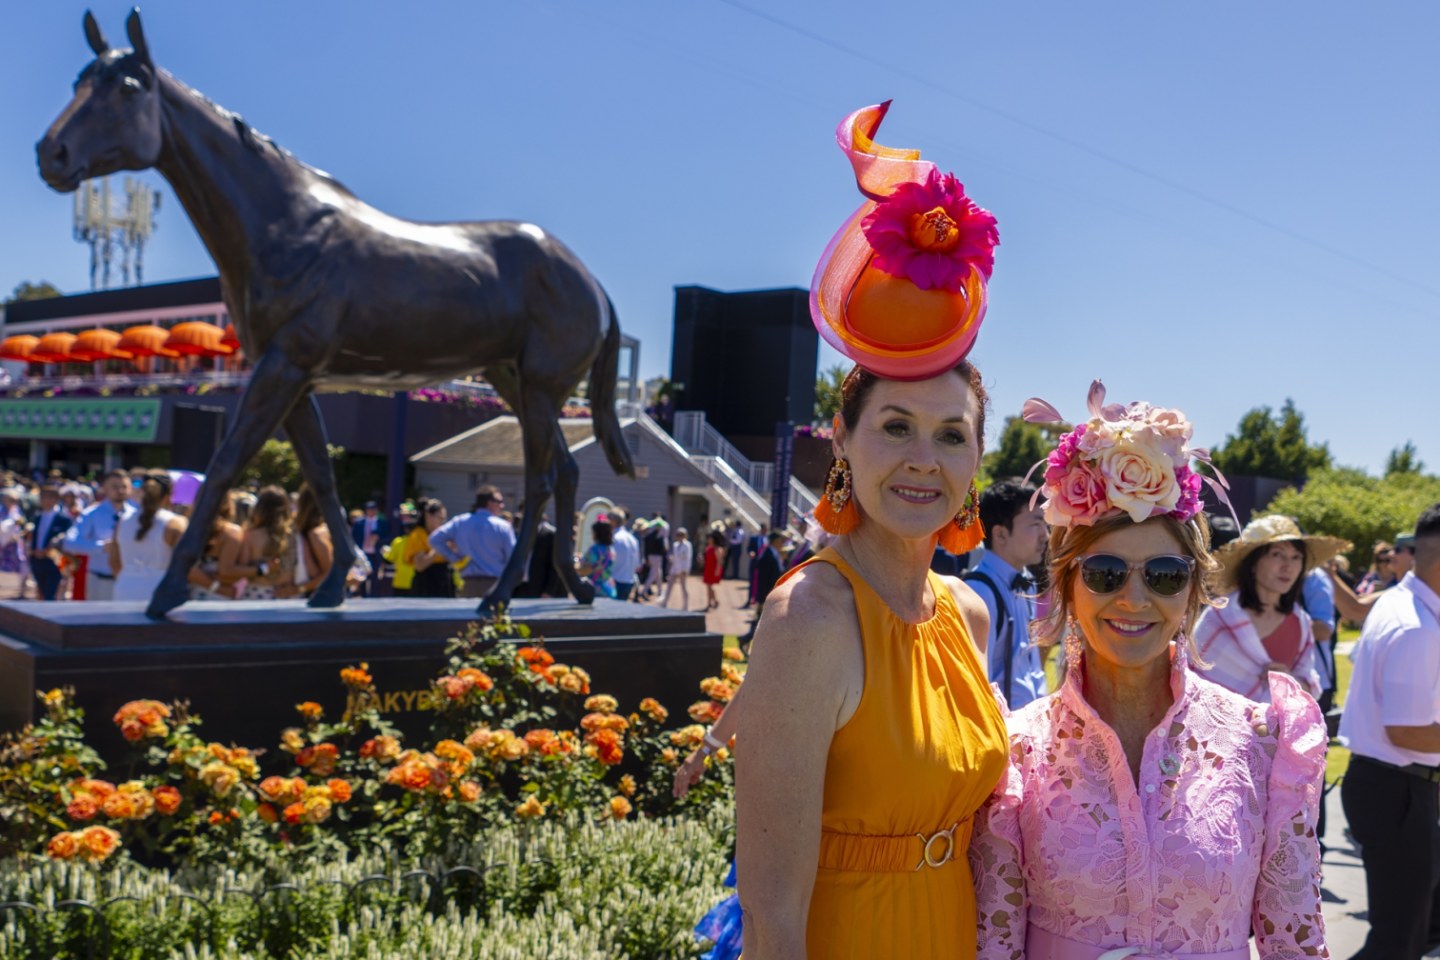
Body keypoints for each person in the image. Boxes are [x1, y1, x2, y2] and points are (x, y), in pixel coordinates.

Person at [736, 101, 1005, 958]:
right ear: (843, 442)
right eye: (895, 426)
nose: (924, 459)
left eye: (951, 434)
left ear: (976, 463)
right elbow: (772, 916)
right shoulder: (809, 618)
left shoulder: (969, 614)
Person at [970, 382, 1328, 958]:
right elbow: (996, 943)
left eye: (1163, 574)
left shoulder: (1262, 741)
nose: (1134, 599)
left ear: (1191, 590)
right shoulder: (1016, 749)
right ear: (1066, 585)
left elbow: (1294, 941)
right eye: (1105, 572)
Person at [1338, 504, 1440, 958]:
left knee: (1416, 929)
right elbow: (1405, 730)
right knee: (1398, 941)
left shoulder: (1402, 602)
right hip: (1397, 789)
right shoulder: (1417, 627)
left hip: (1393, 786)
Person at [1192, 514, 1346, 702]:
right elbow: (1191, 684)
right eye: (1277, 555)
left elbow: (1308, 685)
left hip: (1280, 730)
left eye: (1296, 557)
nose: (1288, 566)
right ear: (1253, 563)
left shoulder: (1300, 621)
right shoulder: (1220, 618)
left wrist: (1289, 681)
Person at [967, 479, 1049, 709]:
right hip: (1002, 734)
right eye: (1035, 524)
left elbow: (1029, 665)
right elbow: (976, 684)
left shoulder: (1027, 583)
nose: (1046, 535)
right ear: (1001, 534)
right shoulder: (979, 593)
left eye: (1045, 524)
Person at [109, 471, 187, 602]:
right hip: (161, 591)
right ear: (169, 495)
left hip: (125, 589)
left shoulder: (122, 520)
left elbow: (114, 563)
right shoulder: (176, 523)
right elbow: (184, 565)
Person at [427, 485, 515, 599]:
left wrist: (455, 558)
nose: (502, 505)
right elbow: (512, 558)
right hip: (496, 585)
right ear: (489, 503)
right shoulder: (503, 527)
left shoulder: (460, 522)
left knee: (468, 616)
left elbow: (434, 539)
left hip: (468, 585)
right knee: (494, 617)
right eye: (499, 501)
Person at [62, 468, 136, 601]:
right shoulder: (92, 514)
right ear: (105, 489)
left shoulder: (137, 515)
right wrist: (101, 547)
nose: (120, 491)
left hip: (129, 582)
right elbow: (69, 542)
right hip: (100, 581)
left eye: (124, 487)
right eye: (115, 487)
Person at [236, 485, 298, 600]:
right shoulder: (295, 534)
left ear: (259, 508)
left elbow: (241, 569)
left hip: (256, 594)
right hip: (288, 594)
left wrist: (264, 568)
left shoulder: (251, 535)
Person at [186, 490, 245, 600]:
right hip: (218, 599)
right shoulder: (232, 532)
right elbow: (226, 572)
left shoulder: (187, 528)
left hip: (189, 598)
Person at [28, 485, 73, 601]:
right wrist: (33, 552)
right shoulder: (38, 516)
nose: (45, 501)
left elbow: (67, 541)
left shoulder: (64, 519)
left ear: (56, 499)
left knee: (51, 594)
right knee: (41, 592)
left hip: (55, 561)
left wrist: (49, 550)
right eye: (43, 498)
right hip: (37, 560)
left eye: (49, 498)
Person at [406, 498, 455, 598]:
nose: (442, 522)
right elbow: (419, 566)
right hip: (426, 582)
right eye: (439, 518)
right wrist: (439, 549)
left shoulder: (442, 534)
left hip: (444, 581)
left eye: (443, 519)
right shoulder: (418, 534)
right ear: (428, 516)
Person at [292, 485, 334, 598]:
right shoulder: (321, 530)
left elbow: (331, 574)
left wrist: (298, 589)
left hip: (319, 598)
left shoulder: (317, 534)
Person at [350, 500, 389, 597]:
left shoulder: (381, 523)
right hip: (363, 553)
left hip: (375, 553)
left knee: (375, 576)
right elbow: (353, 537)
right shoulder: (359, 523)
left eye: (372, 509)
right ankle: (363, 595)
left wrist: (378, 538)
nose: (370, 511)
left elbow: (387, 536)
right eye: (368, 509)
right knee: (362, 576)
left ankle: (373, 596)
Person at [578, 517, 617, 599]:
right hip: (609, 589)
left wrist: (576, 566)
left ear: (596, 533)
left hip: (596, 591)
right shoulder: (611, 550)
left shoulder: (594, 550)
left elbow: (585, 571)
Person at [609, 508, 641, 601]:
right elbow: (637, 564)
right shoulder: (632, 538)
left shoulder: (614, 538)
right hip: (628, 580)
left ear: (613, 521)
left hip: (615, 581)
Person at [663, 526, 693, 609]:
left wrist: (686, 569)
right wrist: (671, 558)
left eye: (682, 535)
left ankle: (685, 605)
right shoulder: (675, 545)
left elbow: (688, 558)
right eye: (678, 535)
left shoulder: (687, 545)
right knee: (669, 586)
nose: (680, 536)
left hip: (683, 569)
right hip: (675, 568)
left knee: (684, 587)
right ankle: (664, 603)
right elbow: (676, 556)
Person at [702, 529, 724, 610]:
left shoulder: (718, 549)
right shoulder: (707, 548)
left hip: (713, 569)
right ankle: (712, 601)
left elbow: (719, 561)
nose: (708, 540)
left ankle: (712, 601)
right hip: (708, 568)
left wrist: (717, 570)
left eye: (710, 538)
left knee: (710, 586)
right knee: (708, 586)